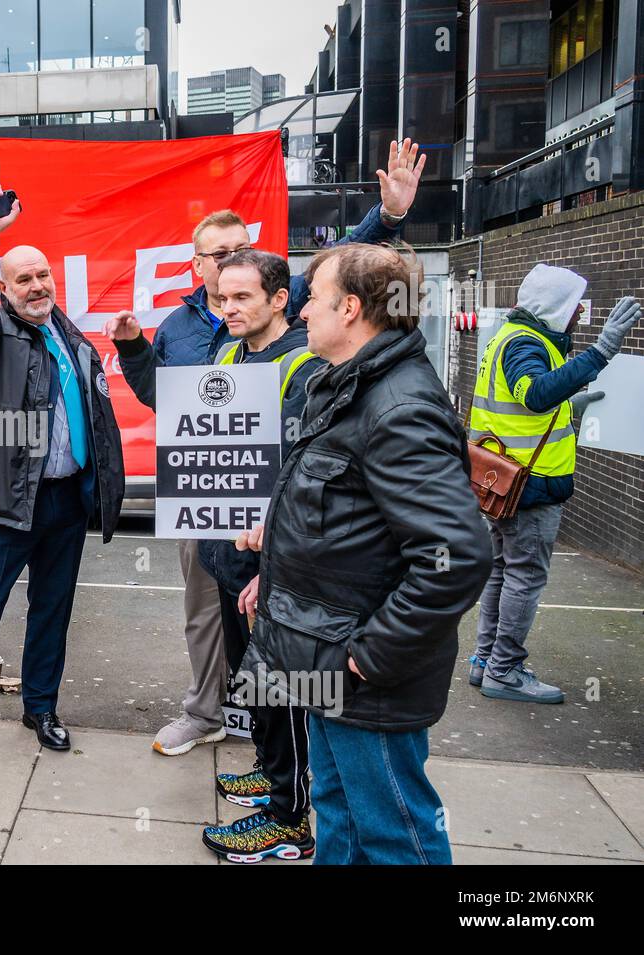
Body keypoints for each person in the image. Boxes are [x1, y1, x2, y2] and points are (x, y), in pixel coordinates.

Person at [106, 138, 426, 757]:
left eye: (241, 256)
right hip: (208, 510)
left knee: (281, 654)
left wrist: (387, 219)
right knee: (213, 620)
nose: (233, 269)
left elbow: (338, 272)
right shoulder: (185, 330)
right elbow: (168, 400)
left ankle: (281, 771)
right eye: (219, 259)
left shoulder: (297, 331)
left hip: (277, 528)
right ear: (199, 266)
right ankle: (220, 718)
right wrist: (135, 349)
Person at [238, 243, 492, 864]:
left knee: (392, 832)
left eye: (314, 300)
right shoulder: (353, 385)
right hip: (326, 658)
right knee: (339, 813)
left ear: (350, 309)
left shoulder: (398, 408)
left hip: (363, 676)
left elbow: (455, 555)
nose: (301, 314)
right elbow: (354, 517)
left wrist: (373, 656)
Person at [0, 183, 125, 768]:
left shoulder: (70, 335)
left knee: (52, 610)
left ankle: (41, 707)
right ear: (4, 289)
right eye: (24, 278)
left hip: (66, 503)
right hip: (5, 506)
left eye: (43, 274)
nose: (38, 284)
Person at [185, 250, 324, 863]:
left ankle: (289, 820)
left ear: (279, 299)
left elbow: (302, 474)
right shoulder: (228, 353)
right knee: (257, 686)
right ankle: (273, 779)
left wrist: (275, 567)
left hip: (269, 565)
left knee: (282, 689)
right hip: (226, 554)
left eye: (242, 297)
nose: (229, 308)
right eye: (222, 298)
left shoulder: (301, 363)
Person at [468, 266, 640, 703]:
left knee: (503, 572)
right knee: (524, 576)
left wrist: (571, 404)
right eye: (574, 304)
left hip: (502, 482)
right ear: (556, 306)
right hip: (530, 484)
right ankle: (504, 670)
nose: (579, 312)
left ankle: (485, 660)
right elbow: (534, 392)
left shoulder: (507, 336)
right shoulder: (527, 342)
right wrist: (602, 351)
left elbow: (527, 403)